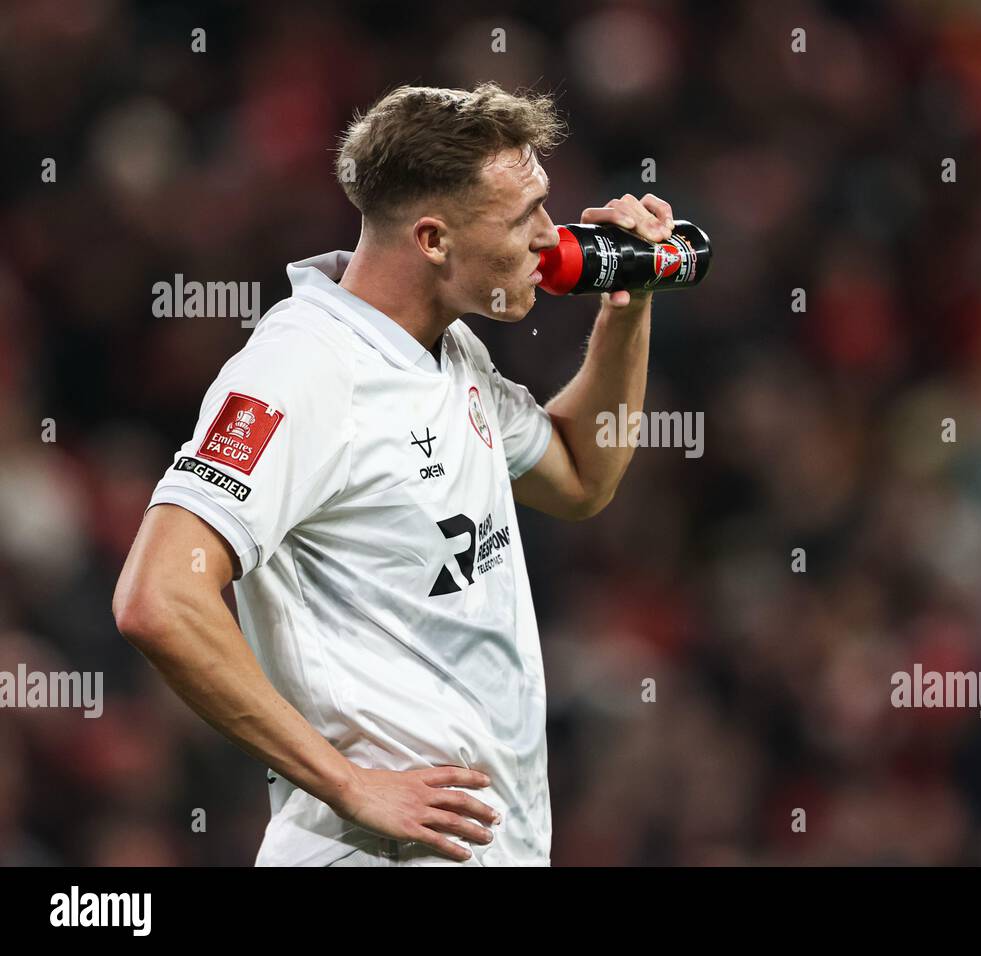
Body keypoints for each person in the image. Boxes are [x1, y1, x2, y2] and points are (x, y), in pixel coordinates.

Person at [112, 83, 675, 866]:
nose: (550, 239)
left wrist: (629, 305)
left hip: (474, 844)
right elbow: (158, 597)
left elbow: (582, 475)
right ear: (434, 239)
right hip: (372, 851)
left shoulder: (446, 351)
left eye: (544, 204)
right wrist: (346, 783)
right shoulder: (301, 372)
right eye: (521, 219)